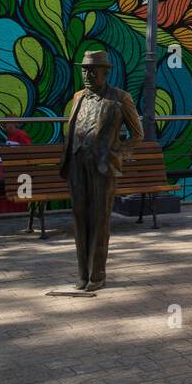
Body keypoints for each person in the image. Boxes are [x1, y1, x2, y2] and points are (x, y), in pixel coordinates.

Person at [59, 50, 143, 292]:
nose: (87, 74)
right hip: (76, 163)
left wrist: (117, 153)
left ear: (105, 72)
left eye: (92, 70)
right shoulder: (78, 97)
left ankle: (97, 274)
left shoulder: (120, 98)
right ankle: (82, 274)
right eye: (84, 69)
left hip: (102, 166)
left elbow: (138, 135)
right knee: (79, 216)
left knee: (99, 218)